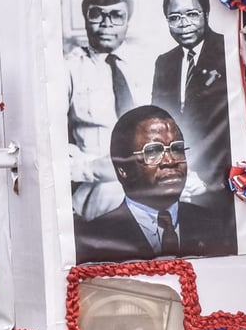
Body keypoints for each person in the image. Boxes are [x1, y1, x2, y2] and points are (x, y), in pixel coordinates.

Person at [75, 105, 236, 263]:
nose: (171, 160)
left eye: (177, 148)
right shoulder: (93, 240)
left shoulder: (215, 226)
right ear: (123, 169)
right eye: (153, 151)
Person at [67, 0, 150, 221]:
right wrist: (91, 169)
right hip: (97, 182)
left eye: (116, 16)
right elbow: (51, 139)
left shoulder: (146, 62)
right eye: (97, 14)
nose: (106, 24)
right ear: (85, 17)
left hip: (148, 174)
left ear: (127, 21)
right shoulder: (68, 67)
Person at [151, 0, 231, 201]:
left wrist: (207, 178)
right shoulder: (164, 62)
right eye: (174, 18)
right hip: (178, 176)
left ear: (206, 14)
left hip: (220, 178)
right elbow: (158, 120)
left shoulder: (228, 50)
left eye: (192, 14)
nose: (183, 24)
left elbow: (231, 125)